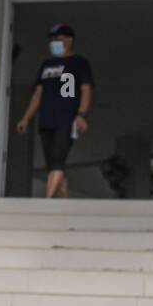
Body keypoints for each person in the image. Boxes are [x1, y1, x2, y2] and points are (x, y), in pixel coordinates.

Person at [15, 23, 94, 199]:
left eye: (57, 39)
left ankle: (47, 201)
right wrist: (26, 118)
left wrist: (81, 115)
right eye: (51, 40)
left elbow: (86, 90)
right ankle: (64, 206)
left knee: (57, 161)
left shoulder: (79, 63)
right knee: (54, 165)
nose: (53, 42)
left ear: (69, 40)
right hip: (46, 121)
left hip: (67, 120)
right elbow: (38, 94)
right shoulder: (47, 65)